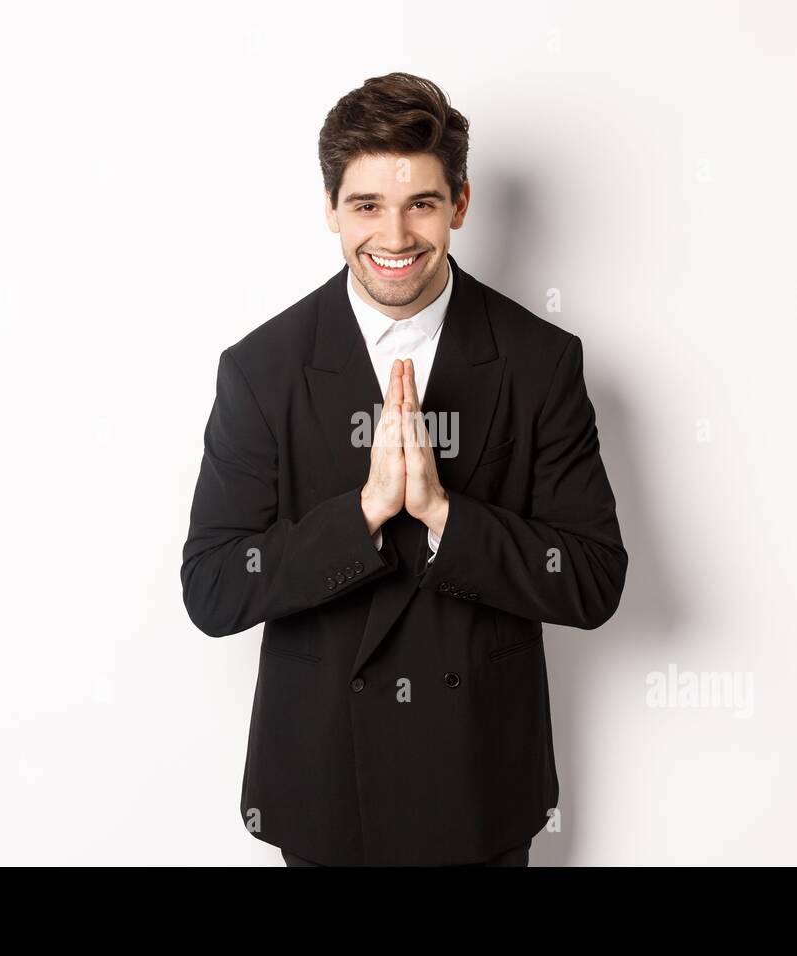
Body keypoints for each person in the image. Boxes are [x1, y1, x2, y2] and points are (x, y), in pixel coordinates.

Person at [181, 72, 627, 866]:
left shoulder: (541, 361)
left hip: (481, 782)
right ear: (330, 208)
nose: (394, 235)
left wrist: (446, 516)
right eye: (366, 206)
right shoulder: (261, 370)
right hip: (325, 789)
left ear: (460, 204)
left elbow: (592, 580)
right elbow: (213, 589)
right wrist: (364, 514)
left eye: (421, 203)